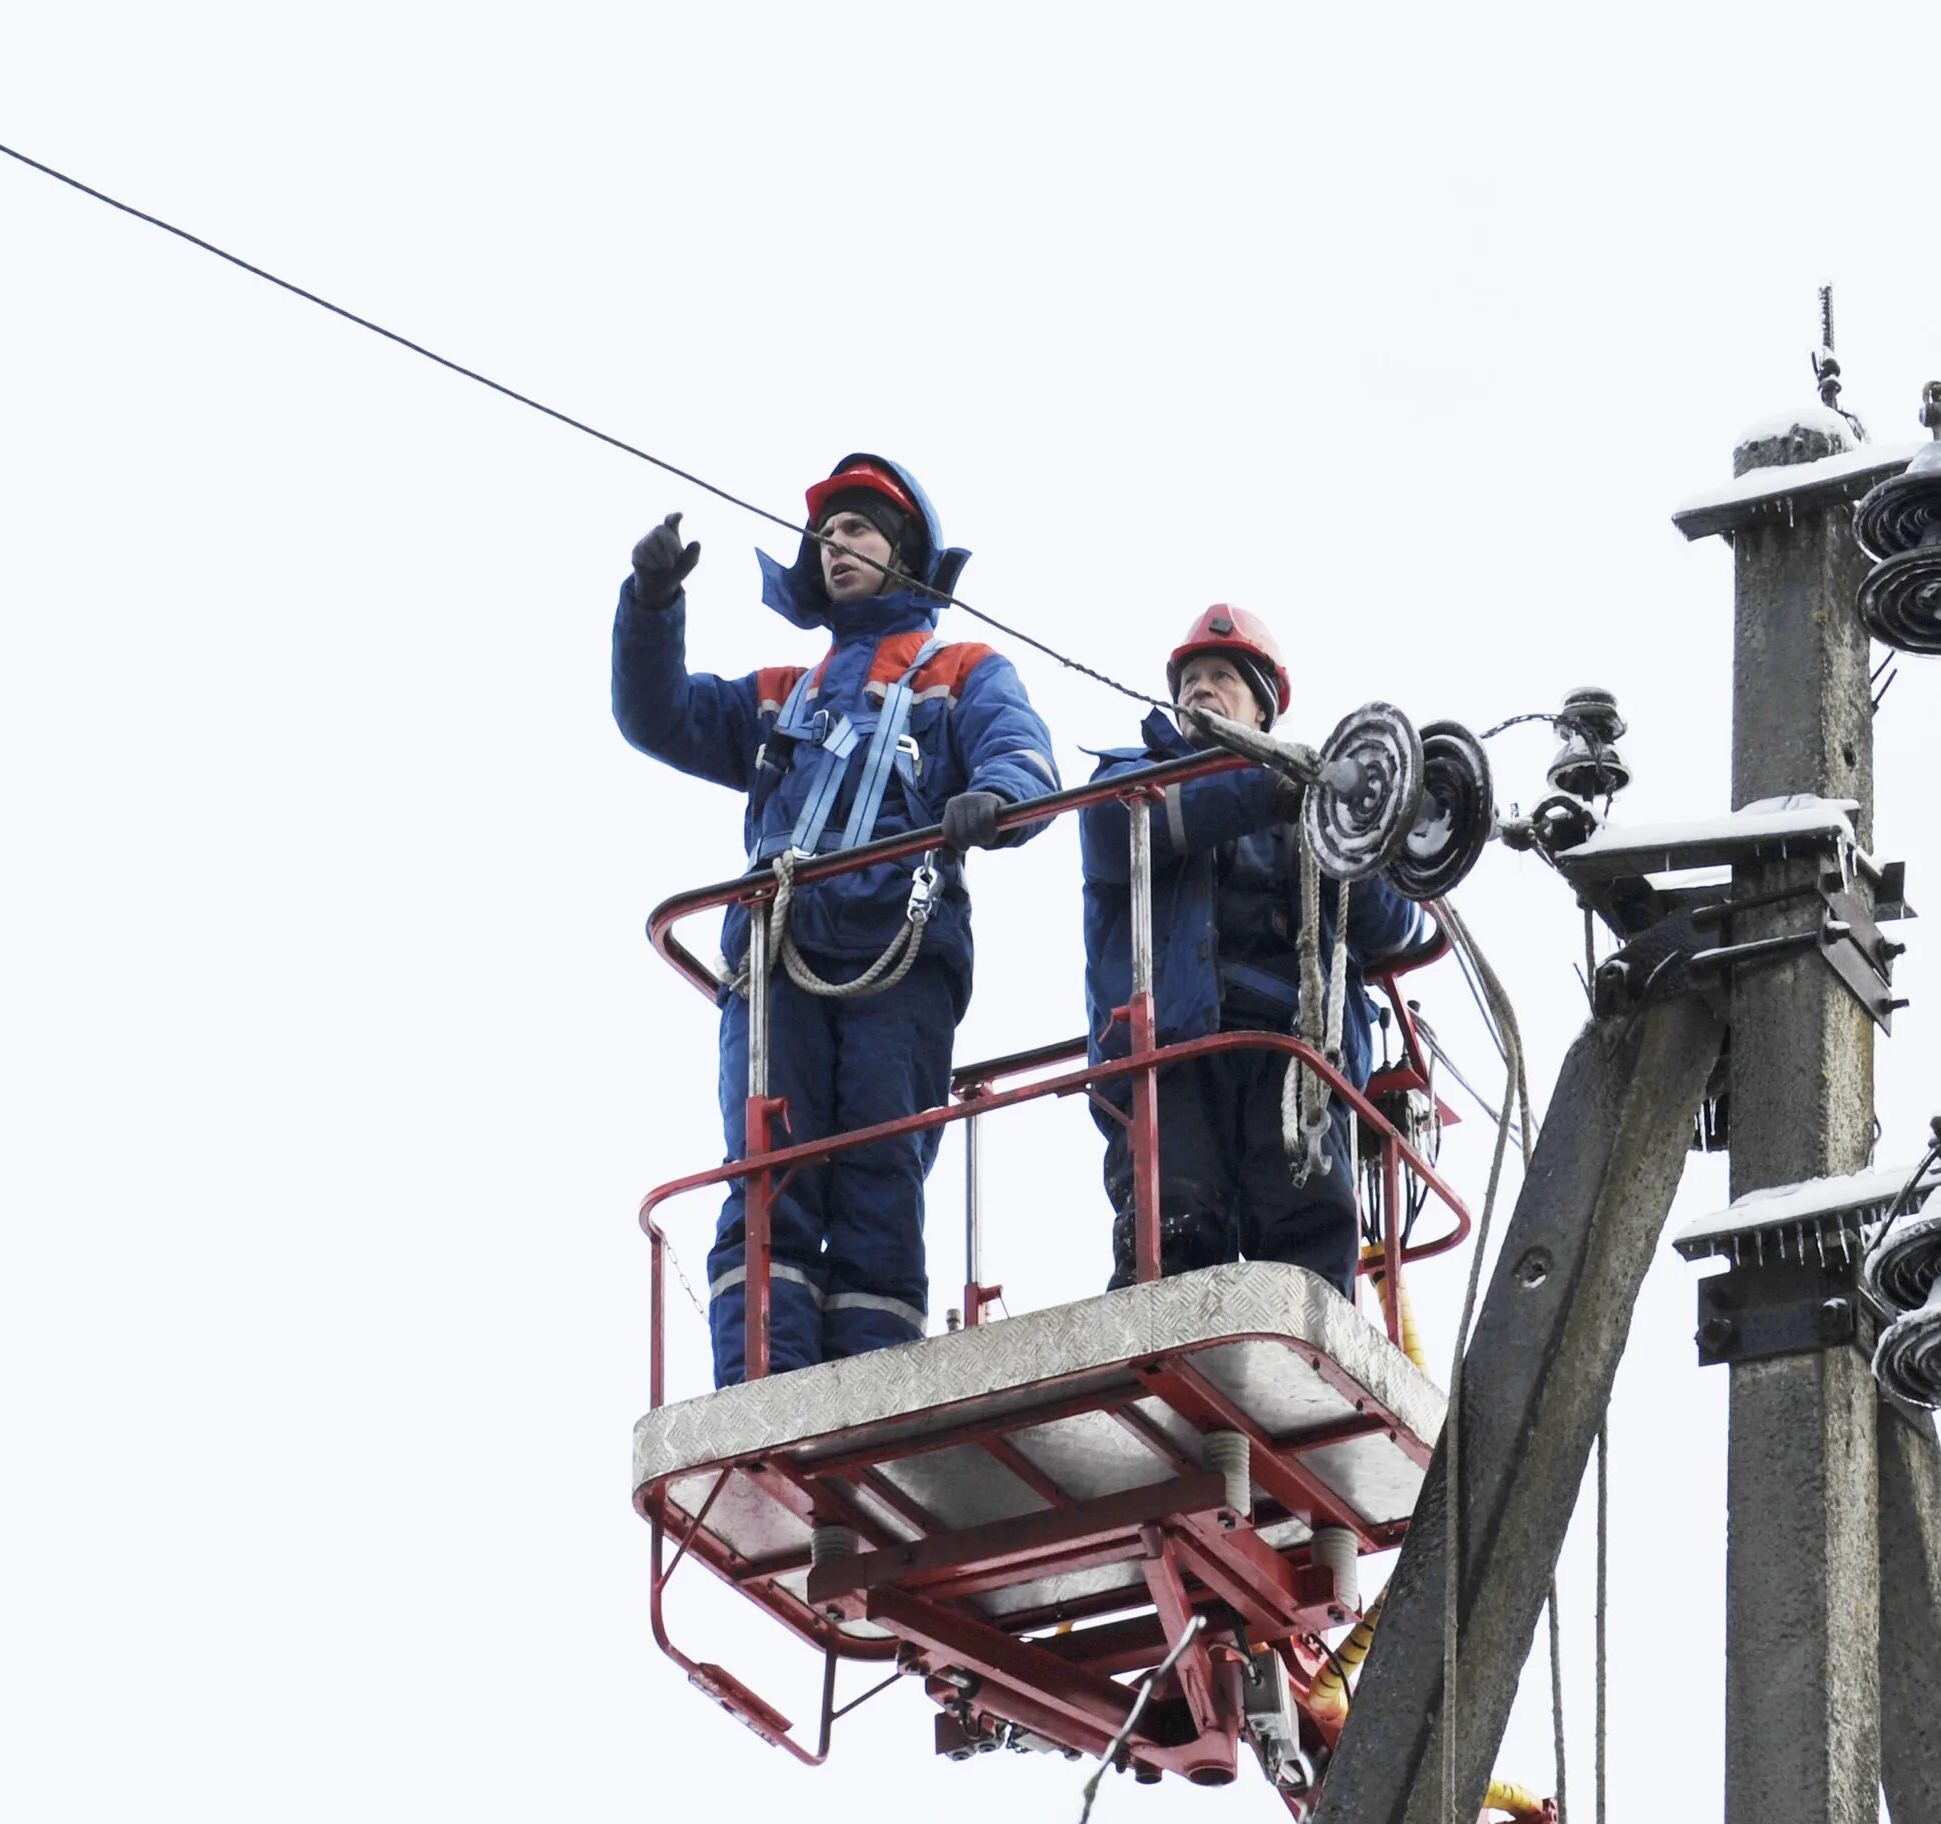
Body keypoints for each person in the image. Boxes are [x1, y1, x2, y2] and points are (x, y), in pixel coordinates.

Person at [615, 454, 1058, 1384]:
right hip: (780, 962)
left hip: (899, 955)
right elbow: (658, 715)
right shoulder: (783, 694)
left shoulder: (964, 670)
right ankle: (759, 1390)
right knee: (768, 1169)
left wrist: (995, 797)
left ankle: (870, 1388)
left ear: (903, 556)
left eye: (859, 530)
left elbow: (1022, 759)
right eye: (827, 534)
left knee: (877, 1171)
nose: (836, 545)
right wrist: (651, 603)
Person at [1079, 605, 1434, 1298]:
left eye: (1220, 676)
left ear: (1265, 710)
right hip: (1172, 1056)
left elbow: (1396, 929)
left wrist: (1358, 829)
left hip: (1292, 1059)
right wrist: (1273, 787)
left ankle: (1304, 1364)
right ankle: (1171, 1360)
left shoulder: (1316, 806)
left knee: (1305, 1232)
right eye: (1191, 679)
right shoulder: (1129, 781)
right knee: (1174, 1228)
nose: (1199, 690)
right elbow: (1127, 830)